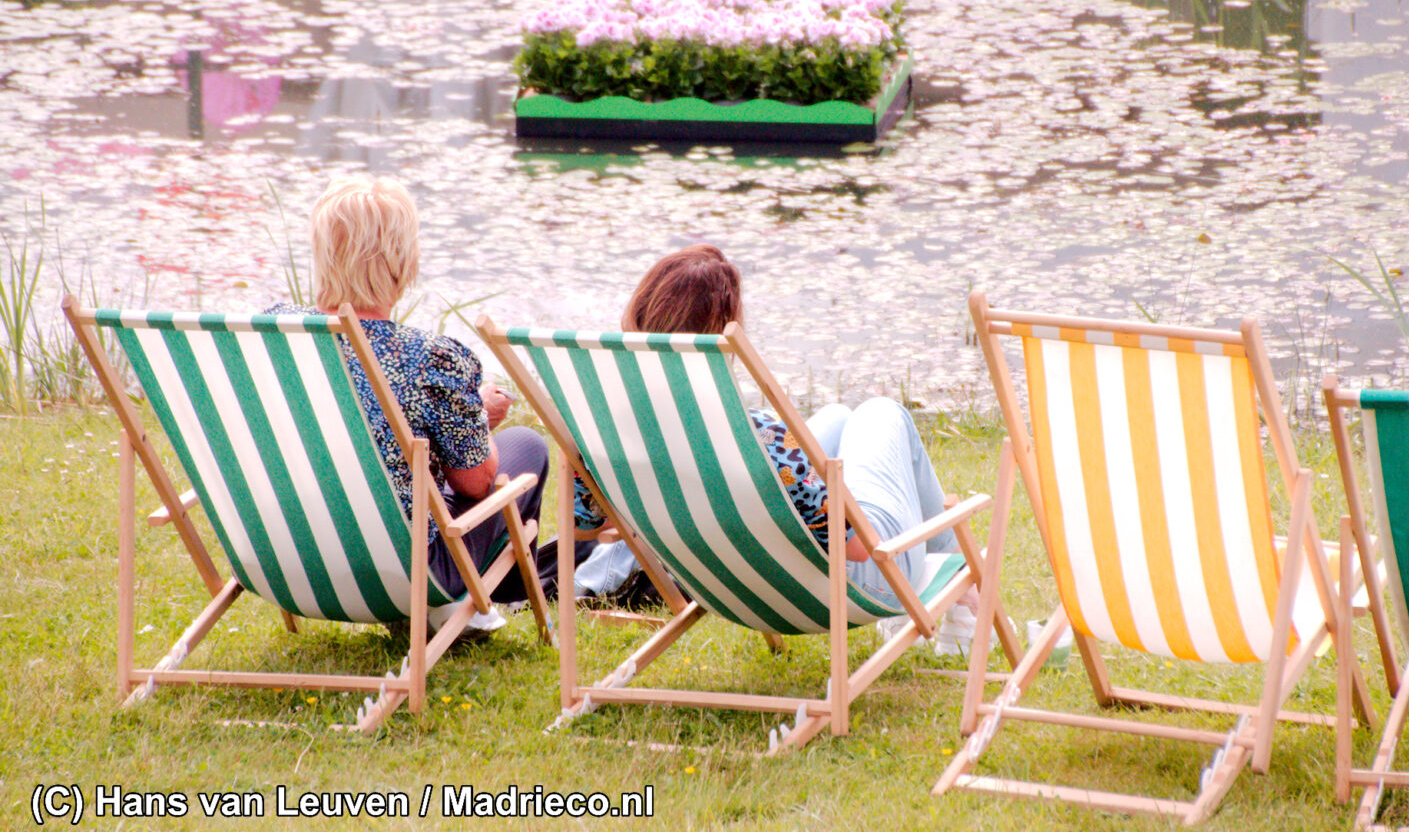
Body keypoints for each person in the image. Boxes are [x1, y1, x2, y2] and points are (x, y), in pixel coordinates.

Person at [571, 245, 975, 639]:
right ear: (722, 335)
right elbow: (857, 549)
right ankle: (962, 594)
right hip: (845, 588)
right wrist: (830, 495)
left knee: (837, 417)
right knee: (882, 412)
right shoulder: (755, 437)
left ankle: (960, 600)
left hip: (729, 588)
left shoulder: (599, 429)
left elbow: (585, 524)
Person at [270, 175, 548, 634]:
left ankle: (475, 609)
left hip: (286, 554)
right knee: (527, 445)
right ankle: (485, 604)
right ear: (403, 262)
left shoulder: (275, 333)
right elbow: (477, 483)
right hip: (401, 572)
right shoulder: (430, 359)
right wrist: (477, 415)